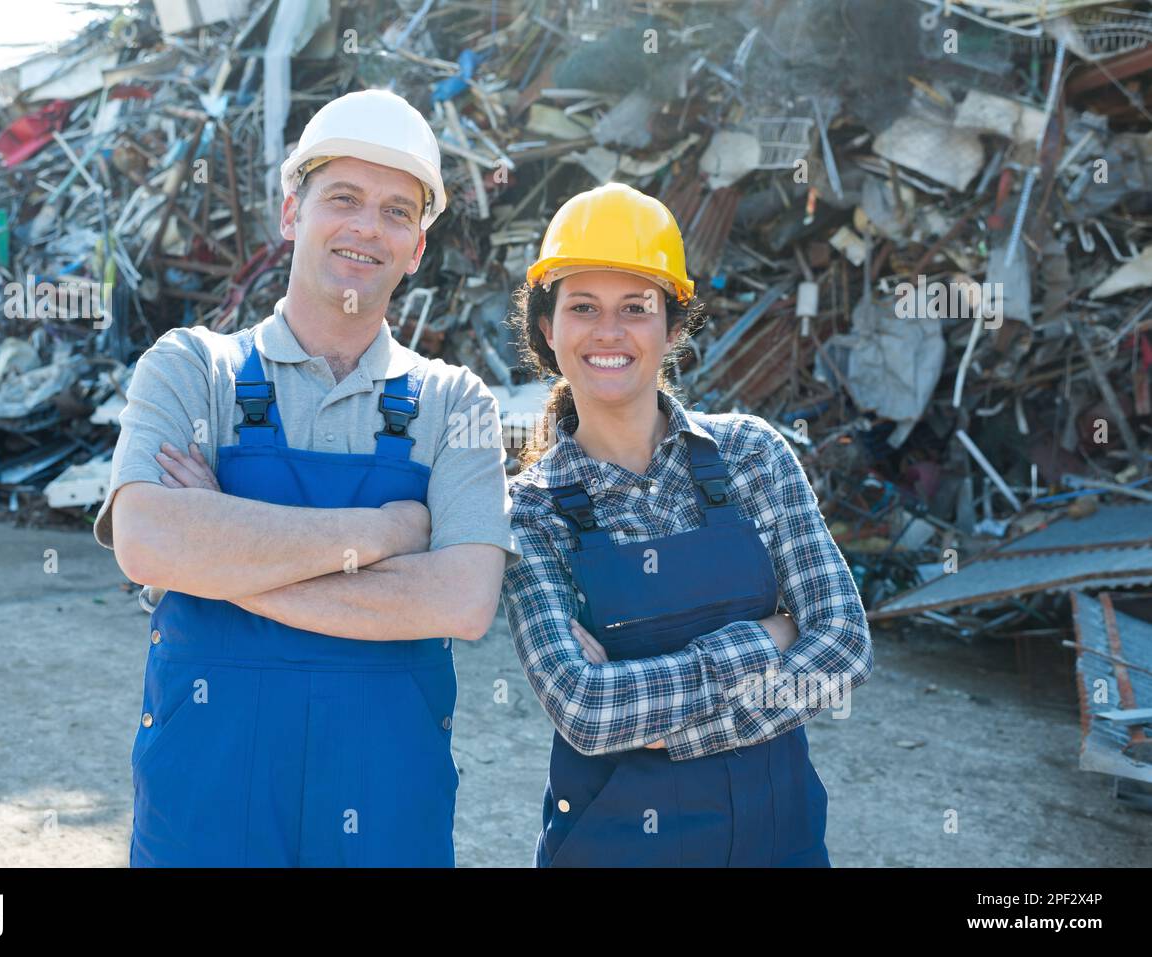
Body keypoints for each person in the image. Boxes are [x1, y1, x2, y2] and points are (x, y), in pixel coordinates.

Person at [96, 89, 519, 867]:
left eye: (397, 211)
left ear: (418, 246)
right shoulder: (194, 369)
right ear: (292, 212)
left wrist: (222, 551)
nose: (367, 227)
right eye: (344, 198)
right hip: (205, 815)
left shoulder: (454, 402)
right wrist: (387, 532)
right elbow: (149, 543)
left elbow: (461, 601)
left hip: (388, 820)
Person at [502, 182, 873, 867]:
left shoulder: (753, 455)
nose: (608, 331)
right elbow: (587, 711)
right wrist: (766, 638)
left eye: (635, 308)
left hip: (780, 843)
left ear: (673, 329)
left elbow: (845, 649)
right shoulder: (531, 511)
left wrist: (668, 727)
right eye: (583, 307)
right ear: (548, 330)